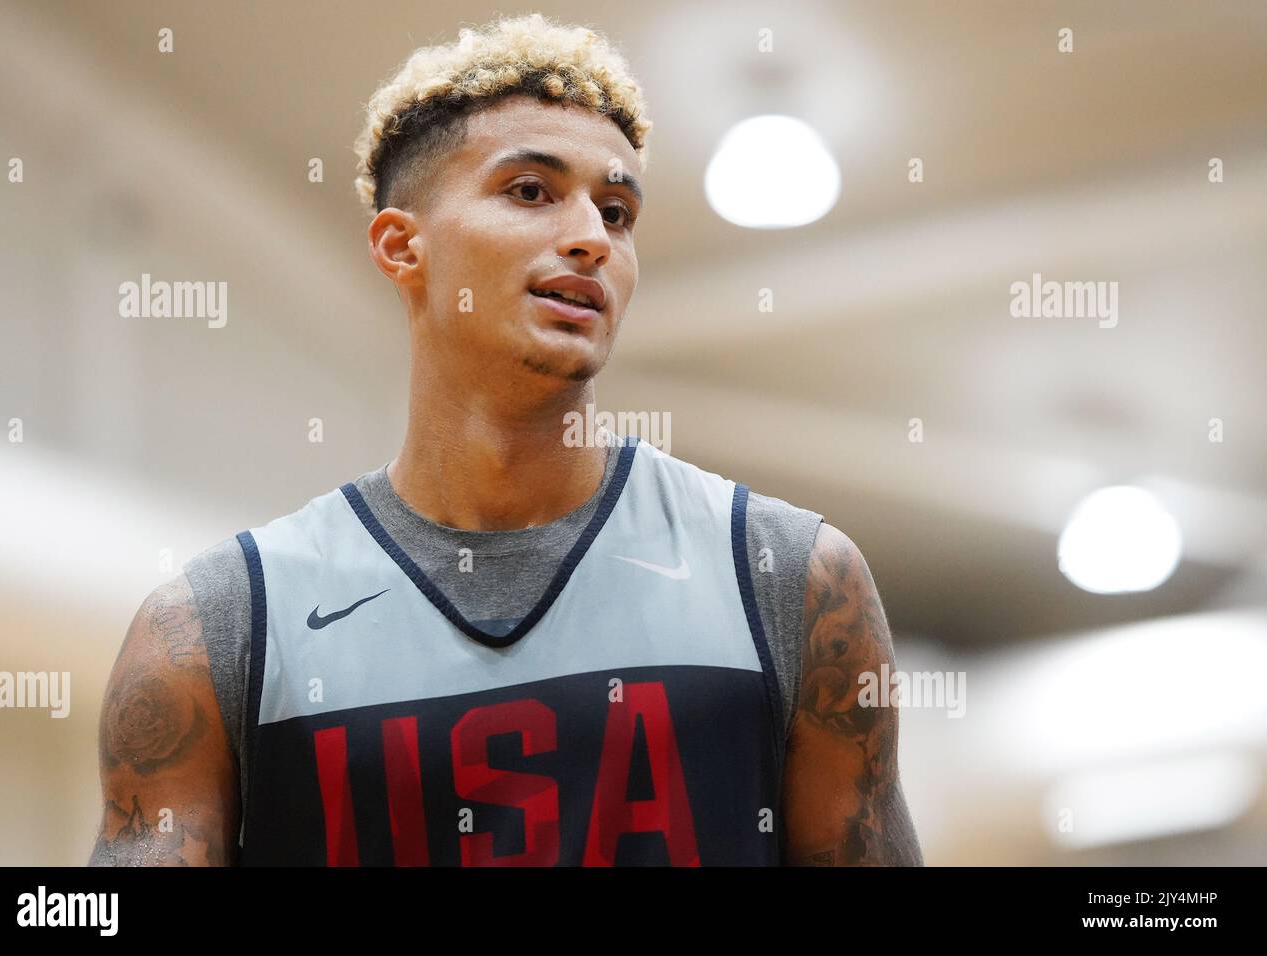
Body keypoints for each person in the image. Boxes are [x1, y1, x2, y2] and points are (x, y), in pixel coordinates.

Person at [90, 12, 922, 866]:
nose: (591, 238)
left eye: (617, 210)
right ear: (401, 246)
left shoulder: (793, 578)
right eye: (530, 192)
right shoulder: (216, 627)